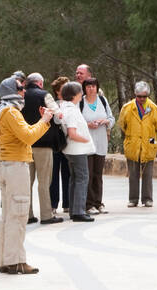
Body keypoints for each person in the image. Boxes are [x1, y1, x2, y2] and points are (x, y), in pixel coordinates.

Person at [0, 75, 52, 274]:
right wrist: (44, 121)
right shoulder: (11, 113)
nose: (24, 91)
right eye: (20, 88)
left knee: (9, 215)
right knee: (18, 215)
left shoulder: (2, 111)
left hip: (6, 164)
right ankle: (17, 261)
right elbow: (28, 136)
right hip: (16, 166)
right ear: (11, 92)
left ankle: (7, 259)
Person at [21, 73, 62, 225]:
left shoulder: (21, 96)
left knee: (27, 182)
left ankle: (28, 215)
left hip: (25, 143)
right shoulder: (45, 95)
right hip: (43, 144)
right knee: (44, 181)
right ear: (40, 83)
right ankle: (46, 215)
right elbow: (58, 114)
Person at [118, 82, 157, 208]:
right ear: (135, 95)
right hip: (133, 144)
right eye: (139, 96)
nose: (142, 99)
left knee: (148, 174)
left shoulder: (154, 108)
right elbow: (122, 124)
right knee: (133, 173)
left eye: (144, 96)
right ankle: (133, 199)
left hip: (149, 143)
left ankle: (147, 199)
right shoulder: (127, 108)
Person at [58, 82, 94, 222]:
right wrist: (85, 140)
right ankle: (79, 211)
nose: (82, 94)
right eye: (80, 92)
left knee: (74, 178)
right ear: (74, 95)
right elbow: (72, 133)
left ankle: (74, 209)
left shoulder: (65, 108)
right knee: (82, 178)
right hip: (77, 149)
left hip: (70, 149)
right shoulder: (72, 111)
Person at [80, 78, 114, 215]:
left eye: (93, 86)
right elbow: (76, 121)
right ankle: (89, 204)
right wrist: (88, 125)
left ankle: (98, 203)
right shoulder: (81, 102)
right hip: (86, 143)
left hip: (101, 143)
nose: (91, 89)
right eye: (88, 87)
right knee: (88, 174)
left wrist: (105, 121)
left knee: (98, 174)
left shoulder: (103, 101)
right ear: (84, 89)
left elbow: (111, 119)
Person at [49, 76, 71, 213]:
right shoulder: (53, 105)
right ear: (57, 91)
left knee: (68, 174)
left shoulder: (73, 104)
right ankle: (53, 204)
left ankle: (67, 204)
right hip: (56, 143)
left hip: (69, 143)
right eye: (64, 88)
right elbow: (57, 121)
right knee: (54, 175)